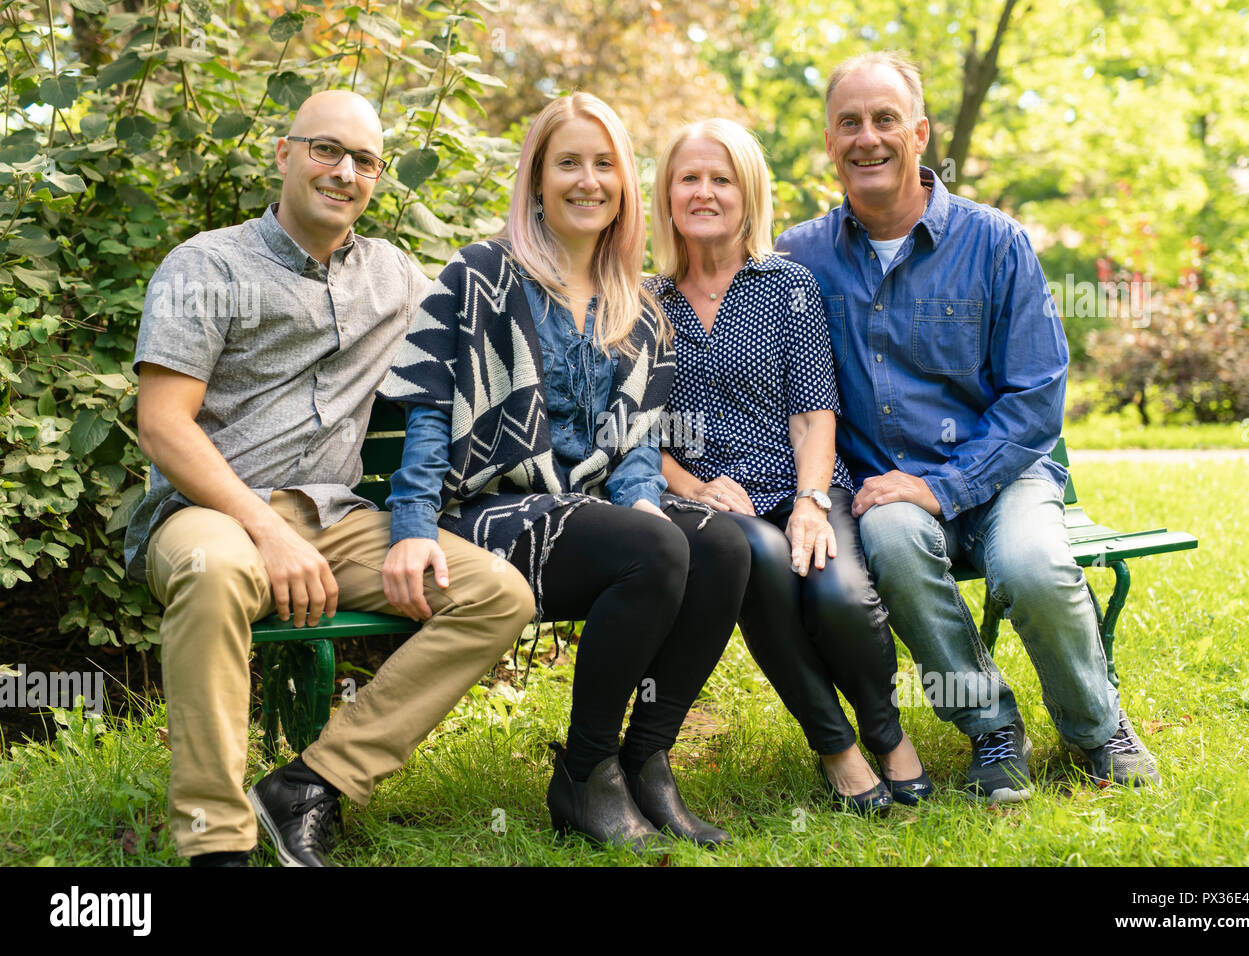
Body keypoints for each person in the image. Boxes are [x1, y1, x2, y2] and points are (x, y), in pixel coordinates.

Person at [124, 91, 536, 867]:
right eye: (325, 150)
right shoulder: (206, 265)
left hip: (337, 519)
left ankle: (312, 784)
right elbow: (163, 425)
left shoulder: (395, 278)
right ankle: (216, 842)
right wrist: (267, 530)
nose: (344, 172)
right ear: (284, 154)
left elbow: (496, 323)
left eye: (364, 161)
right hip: (208, 513)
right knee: (215, 572)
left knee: (497, 595)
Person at [775, 53, 1159, 802]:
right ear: (830, 143)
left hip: (1002, 478)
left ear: (919, 133)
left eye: (885, 119)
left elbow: (1035, 397)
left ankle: (1094, 726)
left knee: (1034, 569)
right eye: (849, 123)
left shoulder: (996, 243)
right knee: (889, 535)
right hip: (885, 491)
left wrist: (942, 486)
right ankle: (991, 728)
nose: (868, 138)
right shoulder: (800, 256)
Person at [379, 93, 749, 850]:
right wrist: (411, 528)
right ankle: (585, 771)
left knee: (722, 543)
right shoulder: (482, 276)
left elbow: (639, 443)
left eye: (604, 164)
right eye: (569, 163)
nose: (588, 181)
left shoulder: (638, 307)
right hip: (485, 514)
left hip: (587, 521)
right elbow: (424, 409)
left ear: (624, 184)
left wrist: (645, 499)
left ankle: (646, 757)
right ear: (538, 179)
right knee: (654, 548)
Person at [648, 119, 930, 815]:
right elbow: (630, 430)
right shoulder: (642, 302)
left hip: (798, 482)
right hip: (709, 500)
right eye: (690, 178)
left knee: (838, 594)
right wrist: (693, 485)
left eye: (722, 179)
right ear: (668, 194)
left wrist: (809, 500)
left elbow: (813, 414)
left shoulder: (787, 286)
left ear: (748, 194)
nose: (705, 193)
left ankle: (886, 732)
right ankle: (836, 747)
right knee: (762, 564)